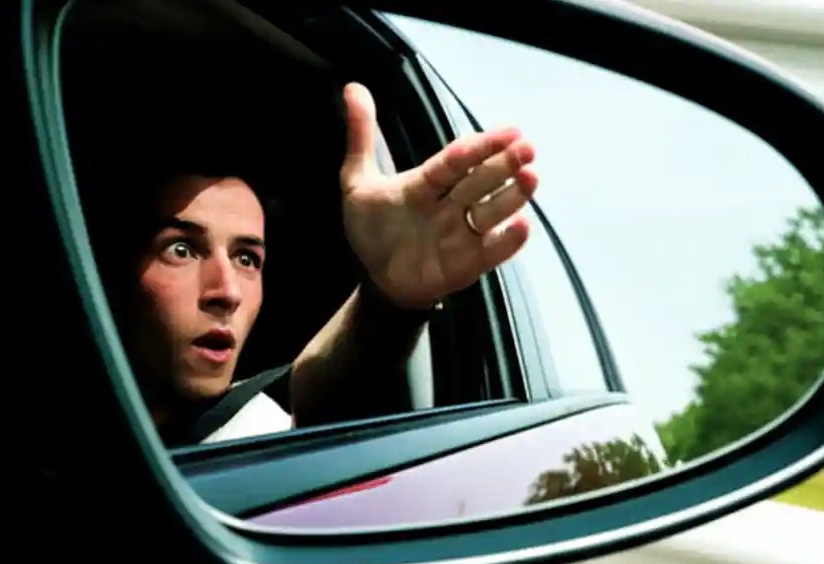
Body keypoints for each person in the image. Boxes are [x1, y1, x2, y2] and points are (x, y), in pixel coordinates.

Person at [101, 83, 539, 446]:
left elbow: (316, 394)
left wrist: (391, 300)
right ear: (111, 278)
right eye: (182, 250)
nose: (227, 292)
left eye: (247, 258)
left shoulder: (252, 429)